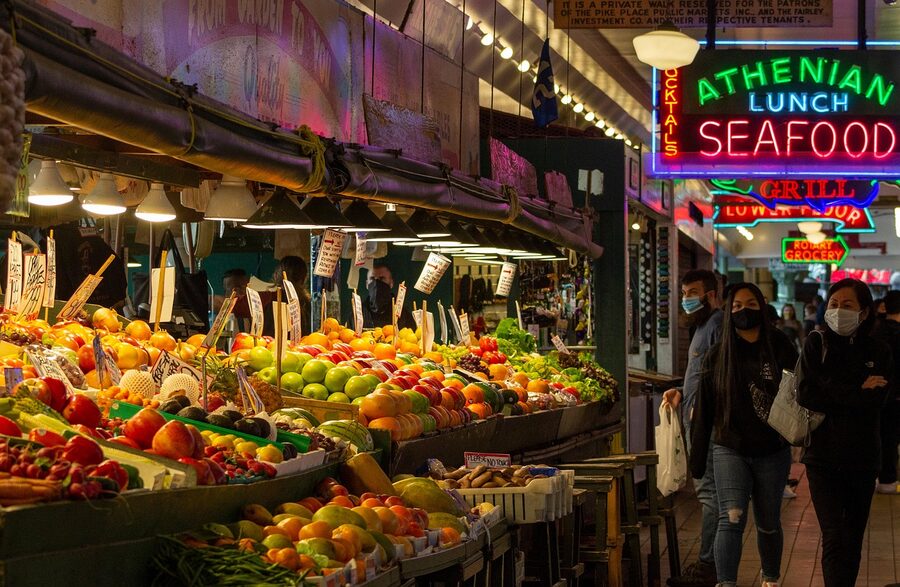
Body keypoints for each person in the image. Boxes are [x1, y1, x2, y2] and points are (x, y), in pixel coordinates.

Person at [690, 283, 798, 587]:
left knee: (767, 522)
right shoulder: (717, 354)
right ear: (727, 311)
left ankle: (770, 579)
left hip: (772, 449)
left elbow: (798, 395)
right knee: (731, 517)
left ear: (762, 307)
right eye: (736, 306)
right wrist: (696, 461)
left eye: (750, 304)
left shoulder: (780, 346)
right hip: (729, 448)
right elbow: (704, 411)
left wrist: (798, 439)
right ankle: (726, 583)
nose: (743, 311)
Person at [797, 278, 893, 587]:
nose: (839, 311)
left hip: (863, 458)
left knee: (852, 538)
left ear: (864, 312)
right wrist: (857, 389)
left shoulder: (879, 349)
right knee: (834, 536)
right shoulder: (816, 343)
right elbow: (806, 394)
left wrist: (834, 392)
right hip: (821, 457)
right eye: (834, 305)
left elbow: (878, 398)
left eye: (847, 305)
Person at [662, 269, 724, 587]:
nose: (687, 298)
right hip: (695, 422)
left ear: (712, 294)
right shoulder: (700, 328)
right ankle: (711, 563)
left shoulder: (717, 326)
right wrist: (682, 392)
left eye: (693, 292)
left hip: (708, 427)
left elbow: (720, 379)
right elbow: (701, 376)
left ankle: (707, 565)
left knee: (710, 494)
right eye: (684, 292)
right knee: (708, 494)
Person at [873, 290, 899, 494]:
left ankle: (873, 475)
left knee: (875, 435)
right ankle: (888, 479)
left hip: (873, 394)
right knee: (890, 438)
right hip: (895, 396)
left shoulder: (873, 331)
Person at [265, 256, 311, 337]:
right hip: (301, 347)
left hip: (272, 347)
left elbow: (267, 335)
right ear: (304, 278)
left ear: (277, 275)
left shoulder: (271, 301)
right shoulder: (308, 304)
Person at [364, 261, 415, 330]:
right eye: (372, 279)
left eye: (382, 279)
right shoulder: (359, 312)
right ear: (367, 284)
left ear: (391, 283)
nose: (376, 283)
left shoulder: (403, 313)